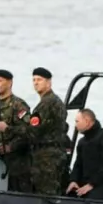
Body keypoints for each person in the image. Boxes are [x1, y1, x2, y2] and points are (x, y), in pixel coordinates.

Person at [26, 66, 68, 196]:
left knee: (45, 192)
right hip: (55, 153)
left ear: (48, 82)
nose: (36, 83)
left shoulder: (47, 103)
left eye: (39, 79)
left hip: (46, 156)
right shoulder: (57, 102)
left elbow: (34, 130)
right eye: (34, 80)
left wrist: (9, 128)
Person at [0, 69, 33, 193]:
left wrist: (11, 146)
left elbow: (28, 132)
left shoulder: (18, 105)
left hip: (18, 163)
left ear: (9, 83)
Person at [66, 109, 103, 200]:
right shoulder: (82, 142)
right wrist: (73, 180)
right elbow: (78, 165)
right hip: (86, 183)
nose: (75, 125)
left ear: (87, 121)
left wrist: (92, 184)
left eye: (77, 121)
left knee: (90, 199)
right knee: (68, 195)